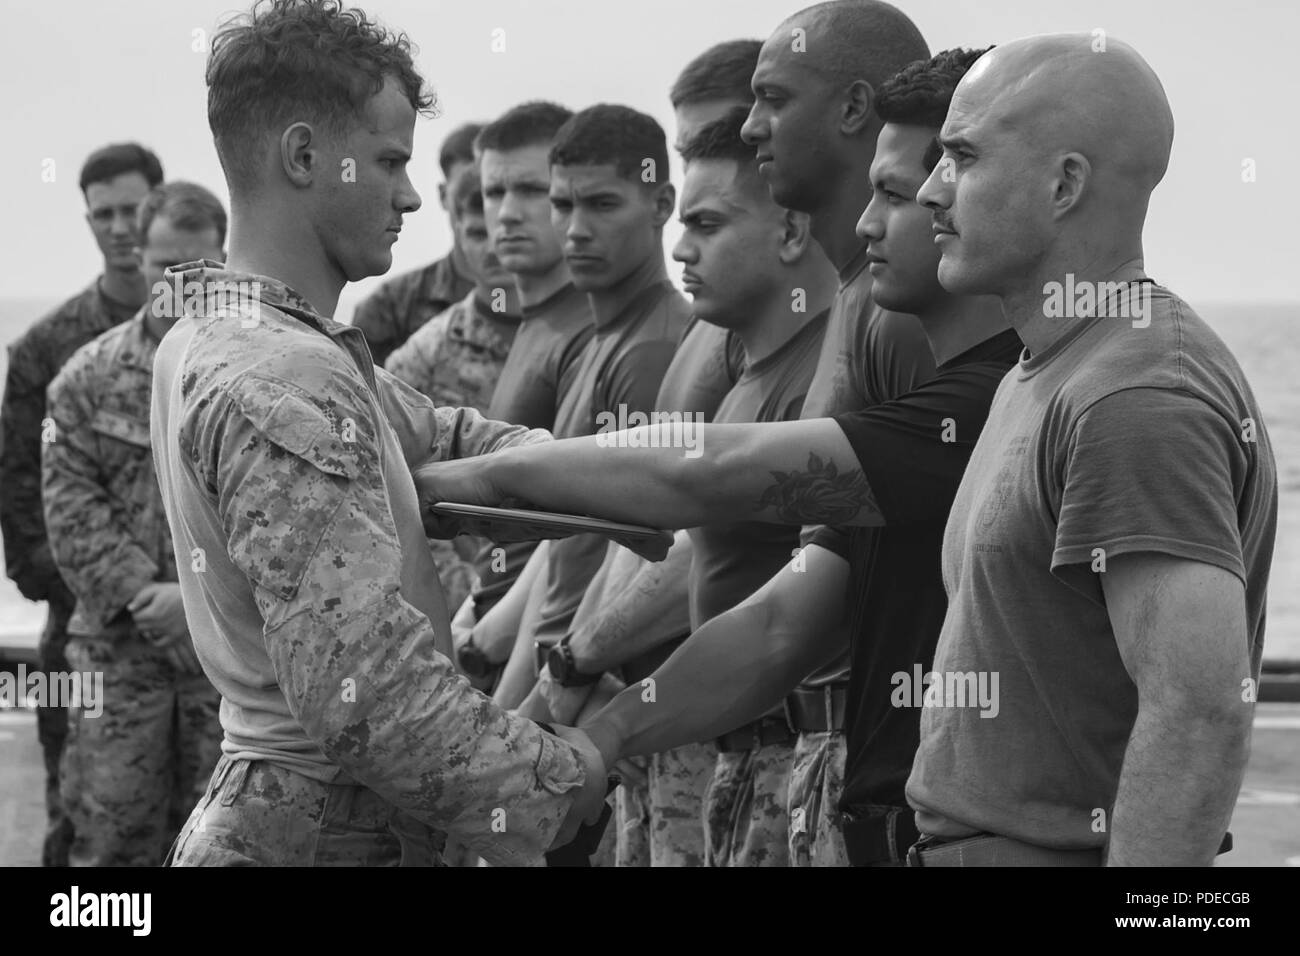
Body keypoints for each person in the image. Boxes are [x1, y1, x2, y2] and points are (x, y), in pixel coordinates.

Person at [413, 47, 1017, 869]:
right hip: (868, 815)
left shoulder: (991, 403)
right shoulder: (895, 372)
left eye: (901, 194)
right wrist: (606, 732)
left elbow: (709, 473)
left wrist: (469, 477)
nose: (872, 223)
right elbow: (778, 627)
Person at [150, 0, 606, 867]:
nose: (408, 194)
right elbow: (370, 698)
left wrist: (670, 477)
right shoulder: (283, 376)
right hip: (318, 832)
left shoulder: (234, 336)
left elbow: (448, 439)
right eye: (390, 161)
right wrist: (558, 773)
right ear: (304, 155)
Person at [903, 35, 1276, 866]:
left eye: (961, 156)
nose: (931, 191)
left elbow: (1201, 709)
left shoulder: (1135, 396)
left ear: (1064, 183)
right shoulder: (1049, 370)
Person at [741, 0, 935, 864]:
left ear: (856, 109)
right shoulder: (857, 300)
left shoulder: (899, 318)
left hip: (878, 759)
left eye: (773, 98)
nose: (752, 128)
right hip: (815, 750)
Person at [42, 181, 226, 866]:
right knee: (113, 841)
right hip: (120, 662)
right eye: (164, 268)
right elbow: (69, 509)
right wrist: (150, 600)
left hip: (227, 660)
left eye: (199, 270)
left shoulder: (255, 374)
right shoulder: (84, 381)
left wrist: (197, 605)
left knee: (223, 843)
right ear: (138, 262)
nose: (182, 285)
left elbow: (278, 518)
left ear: (226, 261)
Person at [485, 103, 690, 715]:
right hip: (557, 680)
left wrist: (539, 704)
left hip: (602, 692)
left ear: (660, 205)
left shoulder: (653, 346)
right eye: (563, 205)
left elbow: (628, 558)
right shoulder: (605, 337)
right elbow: (564, 543)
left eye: (602, 205)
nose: (574, 229)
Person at [1, 140, 164, 867]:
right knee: (82, 825)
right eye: (105, 215)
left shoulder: (209, 335)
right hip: (83, 632)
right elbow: (19, 490)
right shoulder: (48, 347)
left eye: (134, 210)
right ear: (88, 221)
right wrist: (94, 596)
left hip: (200, 639)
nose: (121, 228)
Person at [454, 101, 593, 670]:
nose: (505, 214)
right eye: (493, 193)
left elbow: (584, 531)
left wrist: (483, 647)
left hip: (544, 654)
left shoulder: (587, 329)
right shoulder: (536, 324)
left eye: (532, 190)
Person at [385, 165, 524, 614]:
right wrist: (468, 600)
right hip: (468, 602)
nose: (494, 248)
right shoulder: (422, 356)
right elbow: (400, 499)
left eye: (500, 230)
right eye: (477, 233)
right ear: (458, 236)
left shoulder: (573, 335)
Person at [350, 122, 481, 365]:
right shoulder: (390, 306)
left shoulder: (524, 296)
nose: (477, 207)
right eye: (466, 192)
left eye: (490, 192)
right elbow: (364, 396)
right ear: (443, 195)